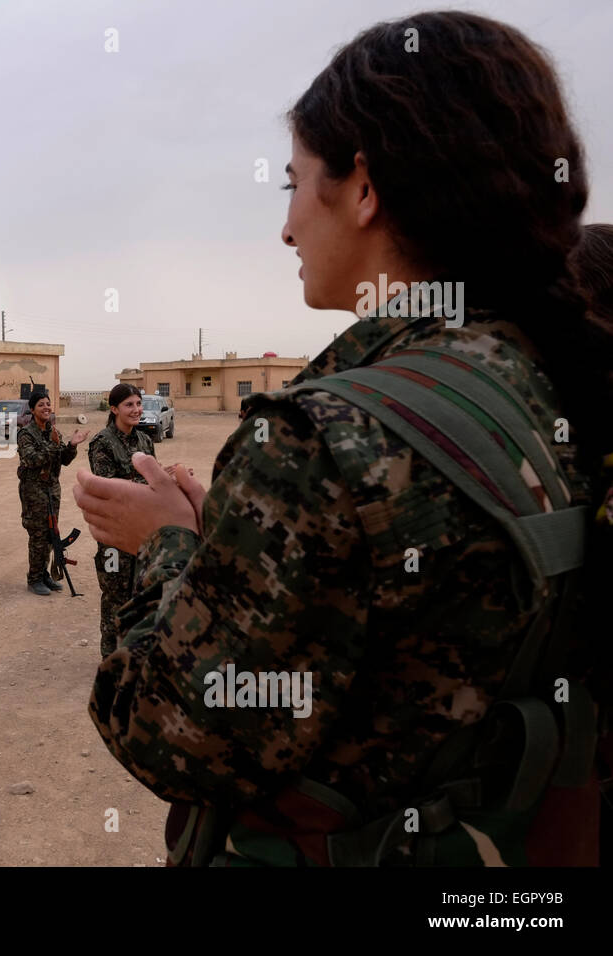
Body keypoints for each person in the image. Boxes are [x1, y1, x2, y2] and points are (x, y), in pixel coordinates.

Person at [76, 11, 610, 867]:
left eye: (292, 184)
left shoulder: (321, 439)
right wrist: (236, 542)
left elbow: (166, 730)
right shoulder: (555, 376)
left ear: (364, 187)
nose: (286, 227)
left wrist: (170, 548)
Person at [87, 384, 155, 657]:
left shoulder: (145, 441)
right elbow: (108, 489)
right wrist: (149, 481)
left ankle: (134, 655)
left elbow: (154, 483)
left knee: (141, 595)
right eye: (129, 405)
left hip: (141, 532)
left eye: (138, 404)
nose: (136, 409)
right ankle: (111, 659)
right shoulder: (102, 442)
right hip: (114, 534)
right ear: (114, 409)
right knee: (115, 598)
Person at [17, 390, 87, 595]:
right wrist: (54, 445)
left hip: (52, 490)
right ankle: (34, 578)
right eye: (41, 405)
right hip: (34, 490)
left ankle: (44, 574)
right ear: (32, 410)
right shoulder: (26, 434)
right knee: (37, 534)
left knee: (50, 533)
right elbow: (31, 459)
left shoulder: (53, 431)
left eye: (48, 404)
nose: (46, 407)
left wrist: (72, 445)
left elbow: (63, 460)